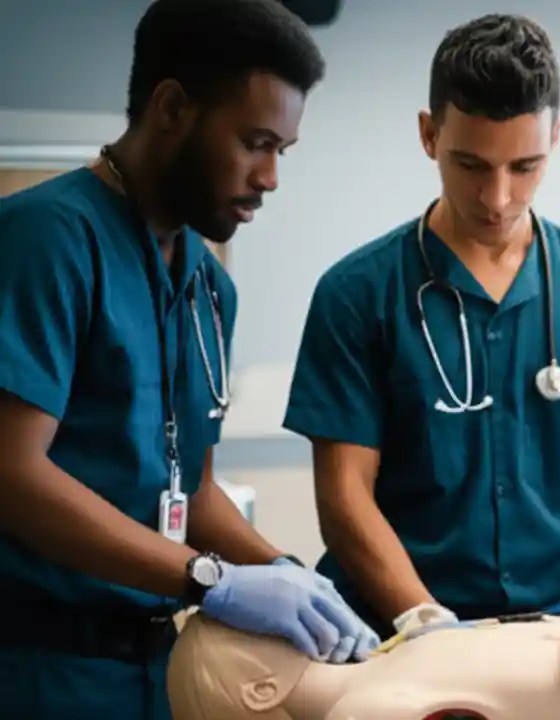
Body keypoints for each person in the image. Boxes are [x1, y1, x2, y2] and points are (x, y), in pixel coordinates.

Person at [0, 2, 379, 717]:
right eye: (255, 142)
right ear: (172, 106)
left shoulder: (208, 286)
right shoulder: (45, 241)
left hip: (156, 667)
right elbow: (13, 473)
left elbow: (193, 490)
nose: (270, 176)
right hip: (38, 667)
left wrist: (284, 573)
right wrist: (212, 579)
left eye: (282, 152)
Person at [283, 13, 560, 641]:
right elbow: (344, 494)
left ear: (556, 138)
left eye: (525, 166)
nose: (497, 197)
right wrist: (421, 619)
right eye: (471, 164)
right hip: (403, 626)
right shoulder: (357, 294)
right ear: (428, 135)